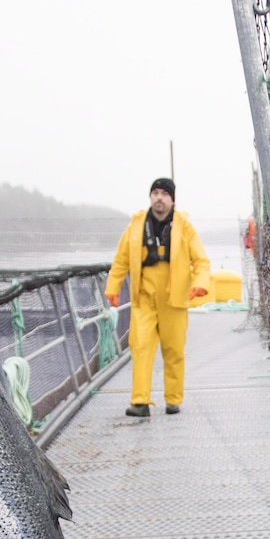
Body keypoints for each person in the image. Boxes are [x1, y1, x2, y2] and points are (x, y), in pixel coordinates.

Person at [105, 178, 212, 417]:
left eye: (164, 193)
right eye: (155, 193)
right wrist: (113, 287)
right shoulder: (135, 226)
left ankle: (173, 399)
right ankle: (139, 401)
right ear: (150, 197)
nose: (159, 197)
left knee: (173, 350)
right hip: (144, 297)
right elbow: (121, 260)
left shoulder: (184, 227)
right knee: (140, 346)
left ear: (172, 199)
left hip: (174, 298)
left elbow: (201, 261)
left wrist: (200, 284)